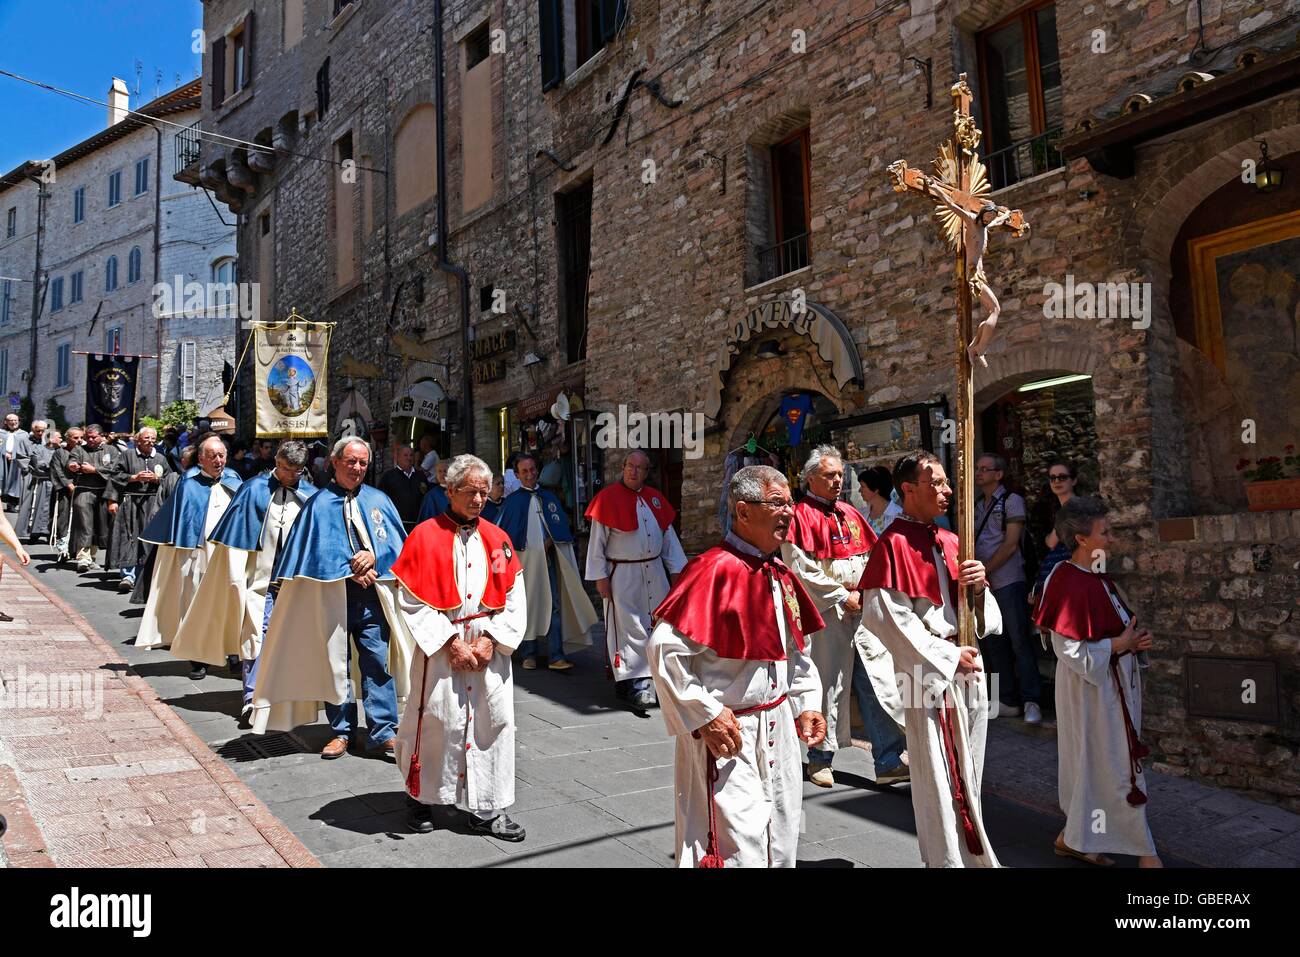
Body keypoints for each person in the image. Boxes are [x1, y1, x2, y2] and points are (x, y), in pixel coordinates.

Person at [649, 465, 826, 867]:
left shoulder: (780, 574)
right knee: (736, 847)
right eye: (778, 503)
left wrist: (808, 703)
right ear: (743, 512)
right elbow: (664, 651)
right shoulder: (712, 570)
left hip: (777, 728)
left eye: (791, 502)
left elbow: (797, 652)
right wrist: (706, 715)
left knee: (780, 838)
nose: (789, 511)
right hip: (729, 733)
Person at [859, 450, 1003, 868]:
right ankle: (946, 862)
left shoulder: (953, 540)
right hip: (930, 675)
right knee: (939, 778)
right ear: (907, 489)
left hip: (968, 666)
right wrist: (945, 655)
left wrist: (977, 588)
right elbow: (885, 617)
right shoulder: (892, 545)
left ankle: (972, 858)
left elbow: (980, 614)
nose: (947, 490)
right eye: (935, 483)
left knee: (969, 772)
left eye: (945, 482)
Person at [394, 454, 529, 842]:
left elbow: (515, 594)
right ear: (450, 490)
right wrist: (449, 642)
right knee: (437, 720)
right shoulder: (424, 535)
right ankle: (421, 797)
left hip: (488, 648)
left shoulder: (496, 536)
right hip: (441, 647)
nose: (479, 499)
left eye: (485, 492)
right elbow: (412, 599)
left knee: (494, 722)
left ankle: (487, 808)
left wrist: (493, 640)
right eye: (472, 491)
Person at [252, 437, 411, 760]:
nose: (357, 468)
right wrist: (348, 569)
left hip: (372, 599)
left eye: (363, 463)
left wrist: (374, 559)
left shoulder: (379, 500)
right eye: (351, 461)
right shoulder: (318, 504)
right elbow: (310, 553)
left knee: (377, 663)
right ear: (335, 463)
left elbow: (398, 548)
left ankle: (383, 731)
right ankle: (342, 731)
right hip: (330, 598)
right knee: (334, 663)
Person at [1034, 497, 1161, 868]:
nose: (1111, 538)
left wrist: (1135, 641)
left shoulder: (1097, 574)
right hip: (1090, 691)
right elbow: (1068, 649)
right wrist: (1119, 644)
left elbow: (1116, 625)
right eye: (1104, 532)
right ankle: (1146, 855)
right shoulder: (1065, 580)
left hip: (1110, 685)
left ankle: (1073, 838)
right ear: (1082, 539)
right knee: (1115, 768)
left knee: (1097, 766)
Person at [785, 445, 908, 788]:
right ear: (811, 478)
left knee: (875, 680)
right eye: (830, 475)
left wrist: (867, 591)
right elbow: (800, 569)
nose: (838, 480)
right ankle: (819, 759)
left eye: (840, 474)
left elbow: (870, 555)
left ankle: (888, 760)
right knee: (826, 684)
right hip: (826, 612)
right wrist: (841, 595)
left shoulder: (850, 513)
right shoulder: (799, 516)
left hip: (861, 606)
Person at [172, 441, 314, 724]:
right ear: (276, 460)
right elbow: (235, 538)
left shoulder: (308, 494)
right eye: (286, 469)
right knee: (255, 634)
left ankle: (283, 693)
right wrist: (237, 575)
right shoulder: (253, 490)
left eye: (297, 472)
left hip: (295, 582)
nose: (290, 476)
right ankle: (252, 697)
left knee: (291, 639)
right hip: (259, 579)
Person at [584, 450, 688, 710]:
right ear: (623, 466)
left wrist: (678, 571)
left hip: (654, 571)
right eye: (630, 465)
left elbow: (669, 540)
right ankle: (639, 685)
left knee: (657, 626)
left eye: (639, 468)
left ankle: (638, 680)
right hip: (623, 575)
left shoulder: (655, 499)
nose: (633, 471)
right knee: (630, 629)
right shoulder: (607, 499)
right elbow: (596, 544)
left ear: (646, 472)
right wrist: (600, 577)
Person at [135, 434, 243, 676]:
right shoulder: (189, 482)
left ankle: (234, 653)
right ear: (201, 459)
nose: (218, 460)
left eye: (222, 455)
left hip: (227, 554)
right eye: (212, 456)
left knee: (231, 600)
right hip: (198, 553)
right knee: (195, 602)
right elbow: (180, 521)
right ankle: (198, 658)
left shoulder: (235, 480)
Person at [495, 452, 597, 670]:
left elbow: (560, 527)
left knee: (554, 606)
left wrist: (551, 541)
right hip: (524, 564)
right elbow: (502, 536)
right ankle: (528, 653)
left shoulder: (549, 497)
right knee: (527, 604)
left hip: (549, 561)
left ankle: (556, 655)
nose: (530, 474)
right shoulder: (512, 502)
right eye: (525, 471)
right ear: (517, 474)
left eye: (532, 470)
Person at [973, 453, 1040, 724]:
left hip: (1009, 581)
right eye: (977, 469)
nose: (978, 473)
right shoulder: (977, 506)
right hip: (986, 585)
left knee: (1019, 641)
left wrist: (984, 569)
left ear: (999, 474)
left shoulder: (1012, 502)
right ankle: (1005, 700)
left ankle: (1031, 699)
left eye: (984, 469)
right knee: (993, 643)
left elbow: (1011, 544)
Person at [105, 426, 175, 592]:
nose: (150, 441)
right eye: (146, 438)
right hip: (130, 501)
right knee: (129, 536)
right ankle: (128, 576)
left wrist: (157, 480)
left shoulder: (160, 458)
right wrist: (133, 478)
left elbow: (170, 478)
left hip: (153, 503)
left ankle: (145, 575)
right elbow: (115, 476)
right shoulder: (127, 455)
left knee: (148, 539)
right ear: (138, 439)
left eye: (153, 438)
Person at [67, 424, 121, 573]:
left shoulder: (111, 451)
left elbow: (115, 471)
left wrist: (95, 470)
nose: (90, 440)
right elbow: (72, 460)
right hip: (84, 491)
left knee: (99, 525)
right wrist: (72, 466)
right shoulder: (79, 449)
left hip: (104, 493)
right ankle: (83, 557)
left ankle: (92, 556)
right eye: (88, 437)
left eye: (93, 437)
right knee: (84, 524)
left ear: (101, 436)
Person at [1031, 460, 1079, 603]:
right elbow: (1050, 542)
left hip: (1076, 571)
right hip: (1062, 570)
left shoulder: (1080, 507)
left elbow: (1051, 542)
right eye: (1053, 478)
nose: (1057, 481)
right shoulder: (1056, 509)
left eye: (1062, 477)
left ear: (1074, 480)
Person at [16, 428, 58, 543]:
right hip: (41, 482)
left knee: (53, 509)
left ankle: (51, 532)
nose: (60, 439)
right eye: (58, 437)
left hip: (56, 484)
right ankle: (35, 532)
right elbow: (39, 464)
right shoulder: (37, 448)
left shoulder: (60, 450)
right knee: (38, 507)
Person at [48, 427, 83, 561]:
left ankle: (76, 549)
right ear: (67, 438)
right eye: (75, 438)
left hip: (81, 489)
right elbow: (56, 470)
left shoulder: (84, 451)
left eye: (81, 437)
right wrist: (68, 484)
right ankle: (63, 548)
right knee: (63, 518)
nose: (79, 440)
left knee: (79, 520)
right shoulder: (59, 452)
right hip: (63, 491)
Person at [379, 444, 429, 534]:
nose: (409, 458)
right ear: (397, 458)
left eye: (411, 455)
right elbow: (381, 501)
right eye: (405, 455)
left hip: (419, 526)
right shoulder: (388, 477)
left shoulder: (421, 476)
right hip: (396, 526)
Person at [858, 465, 904, 537]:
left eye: (863, 486)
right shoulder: (861, 513)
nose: (859, 490)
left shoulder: (898, 515)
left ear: (876, 489)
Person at [0, 414, 31, 511]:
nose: (13, 422)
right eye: (11, 420)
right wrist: (5, 453)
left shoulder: (24, 434)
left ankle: (12, 503)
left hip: (17, 461)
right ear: (6, 421)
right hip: (2, 460)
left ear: (18, 421)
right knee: (2, 480)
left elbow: (27, 448)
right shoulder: (1, 433)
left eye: (15, 420)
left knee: (15, 482)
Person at [416, 458, 450, 522]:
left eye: (445, 471)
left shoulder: (457, 492)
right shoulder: (430, 496)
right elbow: (425, 520)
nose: (442, 474)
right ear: (436, 475)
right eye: (439, 471)